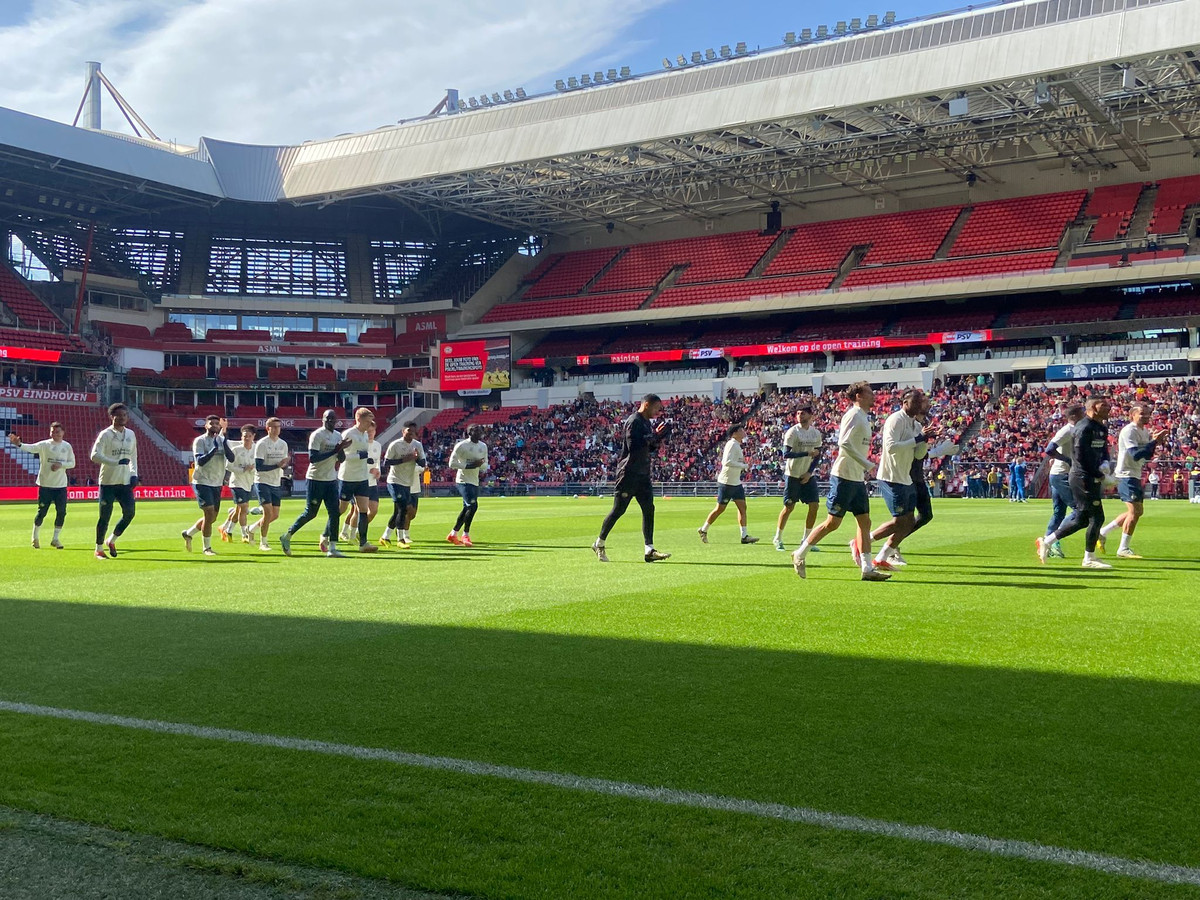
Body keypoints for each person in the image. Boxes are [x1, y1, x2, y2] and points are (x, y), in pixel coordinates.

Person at [791, 381, 890, 581]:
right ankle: (800, 553)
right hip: (844, 476)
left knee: (865, 522)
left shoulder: (863, 416)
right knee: (832, 523)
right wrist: (867, 463)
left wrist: (863, 467)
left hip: (856, 477)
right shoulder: (853, 415)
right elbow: (843, 443)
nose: (874, 396)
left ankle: (867, 568)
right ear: (859, 395)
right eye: (870, 393)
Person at [592, 393, 672, 563]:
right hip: (628, 473)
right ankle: (599, 543)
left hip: (642, 473)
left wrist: (657, 439)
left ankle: (649, 549)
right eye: (657, 408)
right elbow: (633, 446)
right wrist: (653, 437)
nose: (658, 412)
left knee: (649, 509)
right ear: (647, 404)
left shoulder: (645, 423)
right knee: (618, 510)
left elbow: (648, 449)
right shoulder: (634, 421)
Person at [1037, 397, 1113, 569]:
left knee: (1081, 518)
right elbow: (1080, 459)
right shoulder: (1083, 428)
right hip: (1081, 477)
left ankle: (1047, 542)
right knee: (1096, 516)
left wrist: (1105, 463)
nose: (1108, 407)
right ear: (1093, 407)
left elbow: (1103, 450)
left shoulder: (1101, 427)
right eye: (1103, 405)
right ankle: (1089, 558)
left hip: (1088, 475)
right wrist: (1100, 475)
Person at [870, 390, 942, 566]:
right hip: (891, 475)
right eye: (915, 402)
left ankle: (881, 558)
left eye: (920, 402)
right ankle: (862, 542)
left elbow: (918, 455)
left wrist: (926, 440)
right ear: (905, 402)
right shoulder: (895, 420)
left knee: (909, 522)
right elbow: (891, 447)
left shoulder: (916, 425)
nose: (919, 406)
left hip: (905, 478)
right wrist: (919, 438)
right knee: (900, 521)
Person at [1098, 402, 1168, 559]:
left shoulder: (1144, 431)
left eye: (1148, 413)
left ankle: (1102, 532)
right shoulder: (1129, 431)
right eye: (1142, 413)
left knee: (1137, 511)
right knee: (1134, 511)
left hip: (1135, 473)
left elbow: (1147, 455)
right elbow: (1135, 454)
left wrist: (1155, 443)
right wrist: (1153, 442)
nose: (1146, 416)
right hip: (1125, 474)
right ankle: (1123, 549)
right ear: (1132, 415)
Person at [279, 409, 352, 558]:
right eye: (328, 419)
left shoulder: (338, 435)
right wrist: (335, 450)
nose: (330, 422)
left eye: (333, 419)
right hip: (315, 478)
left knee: (334, 512)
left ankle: (332, 547)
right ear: (323, 420)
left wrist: (341, 449)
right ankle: (287, 535)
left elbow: (341, 459)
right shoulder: (317, 435)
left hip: (331, 479)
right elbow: (313, 458)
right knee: (311, 512)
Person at [9, 421, 75, 549]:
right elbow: (30, 448)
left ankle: (55, 539)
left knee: (61, 512)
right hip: (45, 485)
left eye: (57, 431)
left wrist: (61, 465)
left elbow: (72, 463)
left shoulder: (67, 446)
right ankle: (35, 537)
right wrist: (19, 444)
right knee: (42, 512)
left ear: (62, 432)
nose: (54, 434)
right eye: (52, 431)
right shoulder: (45, 444)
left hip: (60, 486)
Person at [90, 402, 139, 560]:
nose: (123, 418)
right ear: (112, 417)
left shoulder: (131, 434)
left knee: (130, 513)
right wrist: (115, 462)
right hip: (108, 482)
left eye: (125, 415)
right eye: (119, 415)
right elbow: (95, 455)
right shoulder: (105, 434)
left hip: (125, 482)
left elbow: (133, 456)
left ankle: (111, 540)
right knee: (105, 516)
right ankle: (98, 548)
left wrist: (133, 474)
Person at [182, 415, 235, 556]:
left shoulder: (222, 440)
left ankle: (188, 533)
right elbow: (200, 461)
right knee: (209, 513)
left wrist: (223, 442)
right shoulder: (200, 441)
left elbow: (232, 458)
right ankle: (207, 548)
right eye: (211, 423)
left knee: (212, 518)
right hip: (202, 481)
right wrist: (214, 449)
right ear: (206, 426)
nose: (215, 425)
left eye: (217, 423)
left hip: (217, 482)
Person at [698, 423, 758, 544]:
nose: (744, 431)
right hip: (727, 482)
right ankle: (703, 529)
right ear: (735, 433)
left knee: (742, 508)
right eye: (741, 430)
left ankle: (744, 535)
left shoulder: (737, 445)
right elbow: (727, 462)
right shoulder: (732, 444)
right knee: (720, 509)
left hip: (735, 482)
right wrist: (744, 466)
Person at [773, 405, 823, 552]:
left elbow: (817, 455)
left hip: (808, 474)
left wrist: (809, 472)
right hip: (793, 474)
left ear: (810, 416)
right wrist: (806, 454)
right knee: (789, 507)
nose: (800, 416)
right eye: (798, 414)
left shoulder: (816, 433)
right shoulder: (792, 432)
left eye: (803, 413)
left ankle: (807, 539)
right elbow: (786, 454)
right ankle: (778, 538)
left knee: (814, 506)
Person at [1042, 404, 1085, 559]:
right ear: (1073, 417)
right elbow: (1049, 449)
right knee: (1079, 510)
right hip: (1062, 475)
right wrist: (1067, 460)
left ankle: (1047, 543)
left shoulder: (1077, 429)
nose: (1085, 415)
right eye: (1082, 413)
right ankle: (1052, 539)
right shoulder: (1067, 430)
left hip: (1059, 474)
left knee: (1059, 513)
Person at [333, 413, 380, 552]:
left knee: (364, 510)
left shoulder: (365, 435)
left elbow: (363, 454)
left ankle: (363, 543)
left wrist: (368, 460)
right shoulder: (348, 434)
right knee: (341, 509)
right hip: (347, 477)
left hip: (362, 477)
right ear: (358, 419)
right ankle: (326, 535)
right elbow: (340, 456)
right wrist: (361, 456)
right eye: (367, 421)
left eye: (371, 421)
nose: (369, 424)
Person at [380, 421, 425, 547]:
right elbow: (386, 463)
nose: (411, 433)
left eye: (413, 431)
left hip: (407, 482)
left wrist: (416, 458)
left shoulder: (417, 445)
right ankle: (400, 540)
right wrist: (405, 459)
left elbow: (423, 463)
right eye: (408, 431)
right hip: (395, 481)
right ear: (403, 431)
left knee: (397, 512)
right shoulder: (395, 445)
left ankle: (385, 536)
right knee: (403, 509)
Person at [247, 417, 290, 551]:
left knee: (275, 515)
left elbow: (282, 464)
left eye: (278, 426)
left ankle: (252, 528)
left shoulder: (283, 444)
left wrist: (283, 466)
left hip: (276, 481)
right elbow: (259, 467)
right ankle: (263, 542)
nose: (277, 429)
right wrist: (277, 465)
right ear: (268, 428)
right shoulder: (262, 444)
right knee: (267, 512)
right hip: (262, 481)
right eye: (274, 427)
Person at [447, 424, 489, 546]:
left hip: (474, 481)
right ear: (469, 433)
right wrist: (469, 466)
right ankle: (466, 534)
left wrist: (480, 464)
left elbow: (485, 464)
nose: (478, 433)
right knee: (473, 505)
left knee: (467, 508)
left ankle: (453, 534)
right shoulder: (461, 446)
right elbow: (452, 463)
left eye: (479, 431)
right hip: (463, 480)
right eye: (475, 431)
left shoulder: (483, 446)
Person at [218, 424, 258, 543]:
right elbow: (228, 466)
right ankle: (244, 534)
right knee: (244, 508)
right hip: (236, 483)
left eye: (249, 436)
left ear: (253, 437)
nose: (246, 438)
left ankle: (227, 529)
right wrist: (242, 469)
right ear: (241, 437)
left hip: (248, 482)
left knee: (239, 509)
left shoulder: (256, 449)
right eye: (244, 436)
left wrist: (253, 468)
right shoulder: (236, 450)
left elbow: (259, 464)